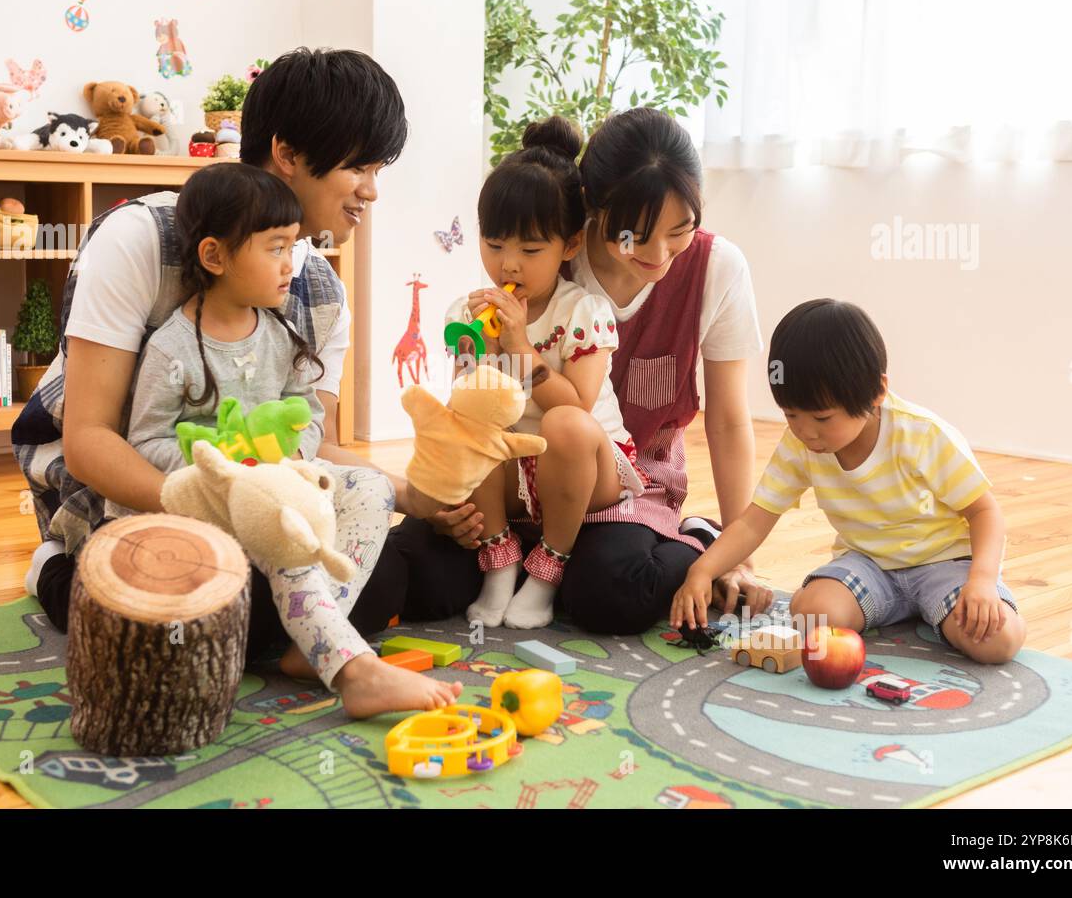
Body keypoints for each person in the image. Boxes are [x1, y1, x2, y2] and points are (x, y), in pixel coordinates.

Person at [12, 49, 418, 662]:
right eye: (359, 166)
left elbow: (314, 439)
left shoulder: (322, 293)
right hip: (125, 490)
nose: (372, 190)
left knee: (393, 578)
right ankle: (59, 569)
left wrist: (416, 494)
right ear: (287, 153)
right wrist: (223, 503)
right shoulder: (141, 237)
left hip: (253, 493)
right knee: (198, 596)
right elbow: (90, 440)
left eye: (379, 169)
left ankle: (276, 632)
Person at [380, 107, 775, 633]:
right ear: (589, 213)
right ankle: (521, 563)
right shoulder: (543, 250)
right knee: (422, 577)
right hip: (508, 477)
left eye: (680, 231)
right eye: (634, 236)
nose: (659, 255)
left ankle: (691, 537)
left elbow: (727, 419)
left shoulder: (716, 269)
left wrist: (734, 552)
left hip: (623, 485)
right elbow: (472, 401)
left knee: (612, 594)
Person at [672, 299, 1026, 663]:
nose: (806, 432)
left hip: (945, 564)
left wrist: (981, 581)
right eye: (791, 414)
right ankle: (913, 611)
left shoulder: (922, 435)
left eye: (823, 418)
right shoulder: (799, 444)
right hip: (869, 564)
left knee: (999, 641)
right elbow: (753, 521)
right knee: (810, 613)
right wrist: (702, 570)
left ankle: (937, 606)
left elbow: (985, 512)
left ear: (876, 392)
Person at [445, 117, 648, 629]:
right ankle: (500, 561)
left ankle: (547, 569)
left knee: (564, 425)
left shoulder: (583, 311)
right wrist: (481, 351)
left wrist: (519, 349)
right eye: (494, 245)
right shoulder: (466, 312)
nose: (509, 265)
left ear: (571, 245)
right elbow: (466, 405)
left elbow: (576, 405)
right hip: (512, 473)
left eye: (530, 250)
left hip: (585, 468)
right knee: (469, 418)